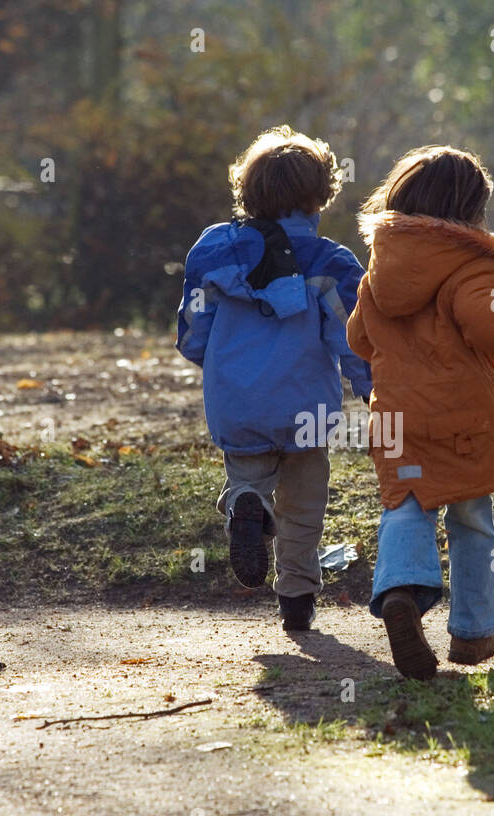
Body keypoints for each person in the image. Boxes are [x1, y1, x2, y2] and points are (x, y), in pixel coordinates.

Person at [346, 145, 494, 678]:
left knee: (404, 505)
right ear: (469, 211)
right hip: (460, 418)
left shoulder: (381, 269)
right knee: (470, 519)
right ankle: (472, 630)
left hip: (395, 420)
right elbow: (487, 324)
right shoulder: (474, 263)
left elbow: (357, 337)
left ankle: (400, 592)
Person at [176, 126, 371, 631]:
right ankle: (297, 599)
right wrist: (372, 387)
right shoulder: (332, 263)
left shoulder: (213, 252)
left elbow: (194, 325)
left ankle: (247, 501)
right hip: (306, 407)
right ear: (320, 194)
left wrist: (212, 363)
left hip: (238, 402)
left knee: (248, 474)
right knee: (304, 506)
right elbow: (351, 338)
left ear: (247, 189)